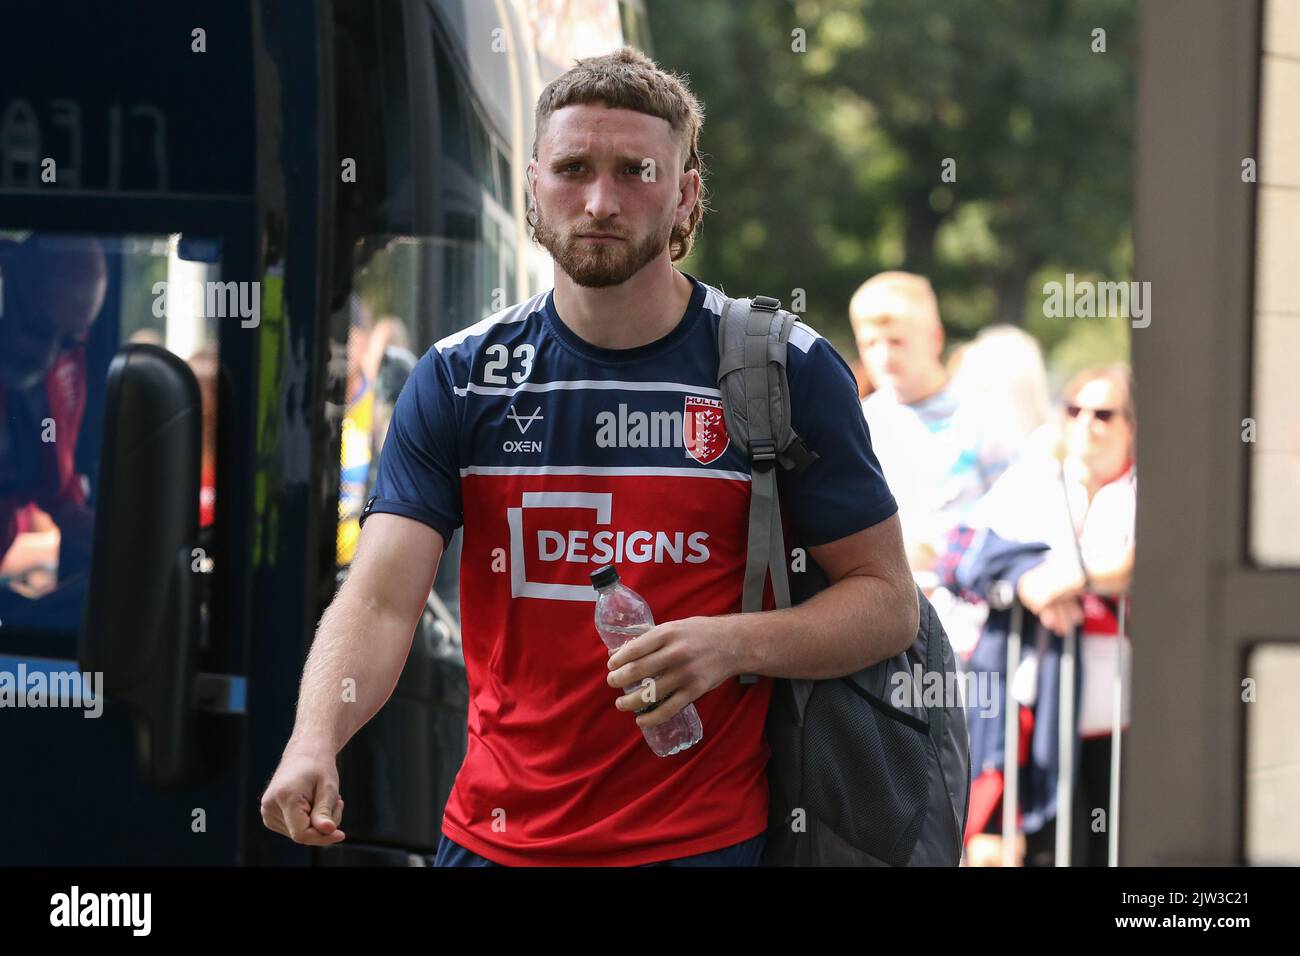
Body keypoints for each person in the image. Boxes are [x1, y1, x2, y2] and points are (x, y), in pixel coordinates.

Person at [260, 47, 916, 867]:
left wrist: (733, 643)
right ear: (533, 186)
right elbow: (383, 600)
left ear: (686, 196)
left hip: (699, 846)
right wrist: (314, 739)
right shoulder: (462, 378)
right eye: (573, 168)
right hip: (491, 843)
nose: (600, 200)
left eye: (636, 171)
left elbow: (889, 601)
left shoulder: (785, 368)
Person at [951, 363, 1136, 866]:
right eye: (1074, 410)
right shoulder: (1031, 480)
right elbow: (967, 556)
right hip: (1026, 696)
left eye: (1104, 413)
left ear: (1130, 425)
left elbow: (1136, 563)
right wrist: (1029, 579)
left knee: (1101, 845)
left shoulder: (1143, 488)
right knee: (1021, 843)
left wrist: (1071, 577)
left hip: (1115, 714)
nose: (1086, 423)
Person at [850, 272, 1014, 583]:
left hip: (967, 609)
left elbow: (1015, 510)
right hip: (892, 608)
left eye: (897, 341)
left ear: (935, 339)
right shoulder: (860, 422)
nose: (884, 355)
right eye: (870, 343)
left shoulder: (982, 414)